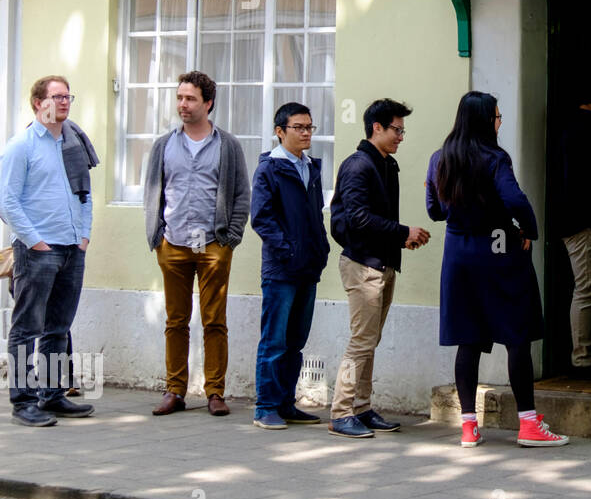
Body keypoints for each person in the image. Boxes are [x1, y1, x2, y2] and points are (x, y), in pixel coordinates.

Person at [427, 91, 568, 448]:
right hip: (498, 248)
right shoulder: (494, 157)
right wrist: (530, 231)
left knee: (468, 338)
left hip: (458, 254)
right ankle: (528, 424)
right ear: (484, 121)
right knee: (516, 334)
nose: (500, 122)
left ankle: (469, 427)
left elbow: (435, 211)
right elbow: (515, 199)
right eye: (497, 117)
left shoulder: (439, 158)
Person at [144, 71, 250, 418]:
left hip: (212, 246)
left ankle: (215, 392)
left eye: (189, 99)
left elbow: (241, 194)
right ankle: (175, 390)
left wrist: (230, 238)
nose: (182, 105)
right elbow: (153, 192)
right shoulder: (164, 145)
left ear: (208, 103)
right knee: (176, 321)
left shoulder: (228, 145)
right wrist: (156, 235)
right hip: (172, 243)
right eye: (179, 98)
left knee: (214, 321)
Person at [328, 99, 429, 438]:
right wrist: (402, 233)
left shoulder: (386, 165)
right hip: (362, 265)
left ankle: (362, 408)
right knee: (361, 341)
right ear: (377, 128)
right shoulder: (359, 166)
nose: (401, 136)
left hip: (381, 263)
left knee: (369, 341)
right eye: (396, 129)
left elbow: (375, 219)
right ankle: (341, 412)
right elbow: (356, 218)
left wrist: (402, 241)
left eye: (402, 130)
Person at [0, 76, 95, 426]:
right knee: (27, 327)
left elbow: (84, 196)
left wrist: (83, 236)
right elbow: (6, 200)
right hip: (38, 251)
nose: (64, 102)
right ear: (38, 103)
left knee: (58, 327)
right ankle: (23, 402)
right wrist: (34, 240)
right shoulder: (21, 146)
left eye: (68, 95)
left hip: (72, 249)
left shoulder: (73, 144)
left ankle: (52, 395)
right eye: (56, 96)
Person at [249, 103, 331, 430]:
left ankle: (286, 403)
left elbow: (316, 216)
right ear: (280, 132)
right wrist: (287, 250)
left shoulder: (311, 167)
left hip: (307, 269)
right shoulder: (270, 169)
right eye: (299, 127)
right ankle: (265, 407)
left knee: (295, 343)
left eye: (310, 127)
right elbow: (262, 219)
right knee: (274, 342)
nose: (306, 133)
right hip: (281, 271)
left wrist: (320, 250)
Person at [557, 69, 591, 380]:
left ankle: (585, 356)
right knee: (587, 289)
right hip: (582, 223)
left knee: (588, 288)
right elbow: (585, 181)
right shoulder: (584, 127)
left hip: (581, 220)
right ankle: (583, 360)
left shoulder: (582, 125)